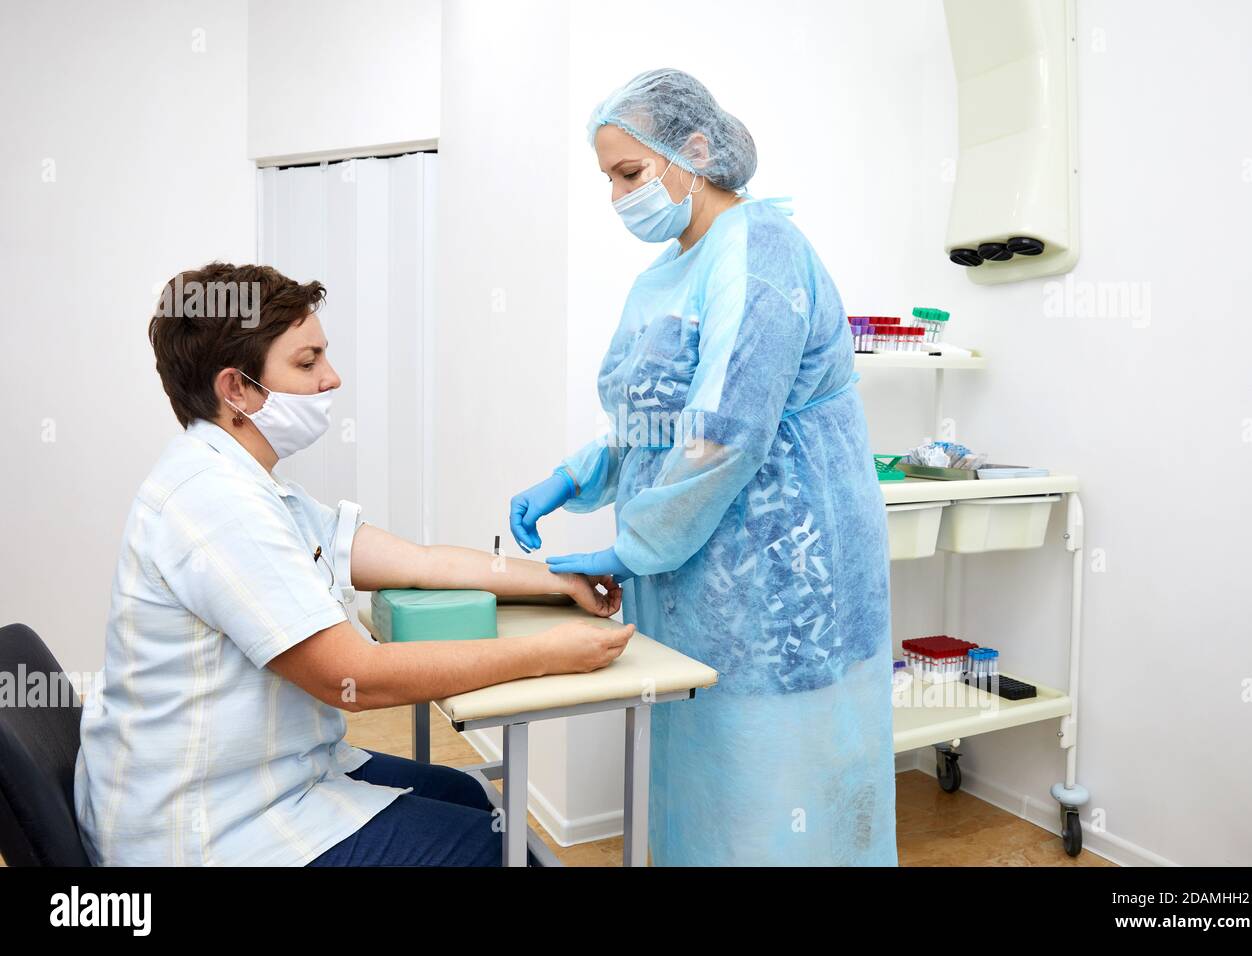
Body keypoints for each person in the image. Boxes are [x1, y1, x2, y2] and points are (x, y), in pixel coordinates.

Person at [74, 262, 633, 866]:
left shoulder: (252, 487)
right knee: (491, 847)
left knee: (474, 797)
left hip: (265, 779)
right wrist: (548, 655)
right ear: (236, 388)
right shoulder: (214, 503)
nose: (332, 379)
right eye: (308, 362)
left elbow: (417, 563)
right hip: (204, 831)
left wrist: (558, 581)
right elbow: (356, 679)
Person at [510, 69, 896, 866]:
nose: (618, 197)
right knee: (697, 788)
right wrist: (576, 478)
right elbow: (652, 420)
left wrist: (633, 545)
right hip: (688, 585)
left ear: (694, 149)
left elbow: (724, 430)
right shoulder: (664, 275)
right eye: (608, 180)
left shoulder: (762, 252)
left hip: (784, 586)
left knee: (772, 800)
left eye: (628, 174)